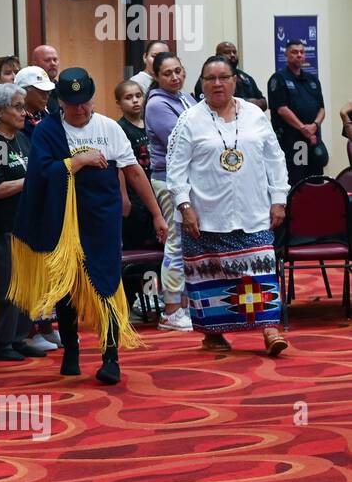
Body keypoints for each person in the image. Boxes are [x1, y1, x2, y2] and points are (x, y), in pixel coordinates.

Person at [9, 68, 167, 385]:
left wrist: (157, 214)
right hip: (63, 222)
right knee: (68, 286)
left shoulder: (109, 128)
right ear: (60, 103)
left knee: (107, 283)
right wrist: (76, 162)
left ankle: (111, 357)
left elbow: (135, 173)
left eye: (85, 102)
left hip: (102, 220)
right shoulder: (47, 132)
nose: (80, 110)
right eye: (72, 104)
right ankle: (71, 349)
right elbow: (40, 174)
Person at [166, 56, 289, 355]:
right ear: (202, 83)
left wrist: (279, 200)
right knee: (209, 275)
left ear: (235, 80)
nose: (218, 84)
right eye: (210, 78)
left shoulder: (255, 115)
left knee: (260, 269)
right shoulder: (189, 120)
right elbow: (176, 168)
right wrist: (184, 206)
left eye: (224, 77)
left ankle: (270, 329)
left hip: (253, 210)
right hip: (205, 214)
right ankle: (213, 334)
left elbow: (275, 158)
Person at [0, 83, 36, 362]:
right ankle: (1, 343)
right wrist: (30, 182)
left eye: (23, 106)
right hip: (3, 223)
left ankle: (20, 337)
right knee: (7, 285)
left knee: (25, 282)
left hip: (25, 222)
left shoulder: (22, 138)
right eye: (17, 107)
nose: (24, 112)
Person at [144, 53, 197, 332]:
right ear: (156, 76)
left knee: (188, 245)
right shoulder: (156, 104)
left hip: (189, 180)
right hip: (168, 180)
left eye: (178, 70)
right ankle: (171, 311)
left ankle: (185, 304)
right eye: (167, 73)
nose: (175, 77)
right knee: (175, 244)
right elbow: (182, 141)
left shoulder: (186, 97)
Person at [268, 39, 327, 186]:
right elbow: (282, 109)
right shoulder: (279, 78)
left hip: (313, 139)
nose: (299, 55)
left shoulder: (312, 80)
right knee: (297, 181)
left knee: (316, 178)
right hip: (292, 141)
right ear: (286, 55)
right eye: (294, 52)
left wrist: (314, 125)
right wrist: (303, 128)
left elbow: (322, 108)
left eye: (302, 52)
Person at [114, 79, 158, 254]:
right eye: (128, 97)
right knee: (138, 243)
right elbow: (120, 166)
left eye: (138, 96)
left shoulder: (150, 123)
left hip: (154, 185)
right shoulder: (120, 128)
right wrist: (124, 197)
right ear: (119, 103)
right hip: (134, 194)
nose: (135, 101)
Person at [192, 41, 266, 109]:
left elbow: (264, 103)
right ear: (218, 55)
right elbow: (206, 104)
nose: (232, 55)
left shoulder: (246, 78)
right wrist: (247, 102)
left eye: (234, 52)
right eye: (227, 52)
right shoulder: (208, 79)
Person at [15, 65, 55, 142]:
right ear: (24, 91)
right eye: (41, 92)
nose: (46, 96)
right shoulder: (14, 121)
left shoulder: (47, 115)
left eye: (48, 92)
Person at [30, 44, 63, 117]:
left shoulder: (63, 89)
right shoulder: (30, 92)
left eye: (55, 60)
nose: (53, 63)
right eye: (47, 60)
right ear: (34, 64)